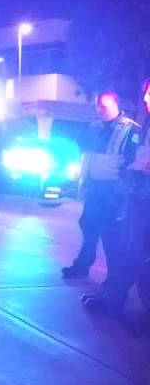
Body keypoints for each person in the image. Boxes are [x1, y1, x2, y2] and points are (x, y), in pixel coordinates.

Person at [85, 81, 150, 312]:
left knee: (131, 250)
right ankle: (113, 294)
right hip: (133, 193)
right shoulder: (144, 125)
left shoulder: (131, 127)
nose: (147, 99)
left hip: (134, 195)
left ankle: (114, 298)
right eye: (146, 93)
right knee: (128, 248)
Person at [63, 91, 138, 281]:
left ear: (117, 104)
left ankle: (113, 279)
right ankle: (82, 266)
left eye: (104, 106)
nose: (100, 110)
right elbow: (84, 148)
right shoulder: (95, 126)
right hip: (94, 186)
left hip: (112, 190)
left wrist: (123, 185)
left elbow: (132, 159)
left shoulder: (129, 129)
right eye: (98, 105)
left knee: (110, 235)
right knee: (88, 226)